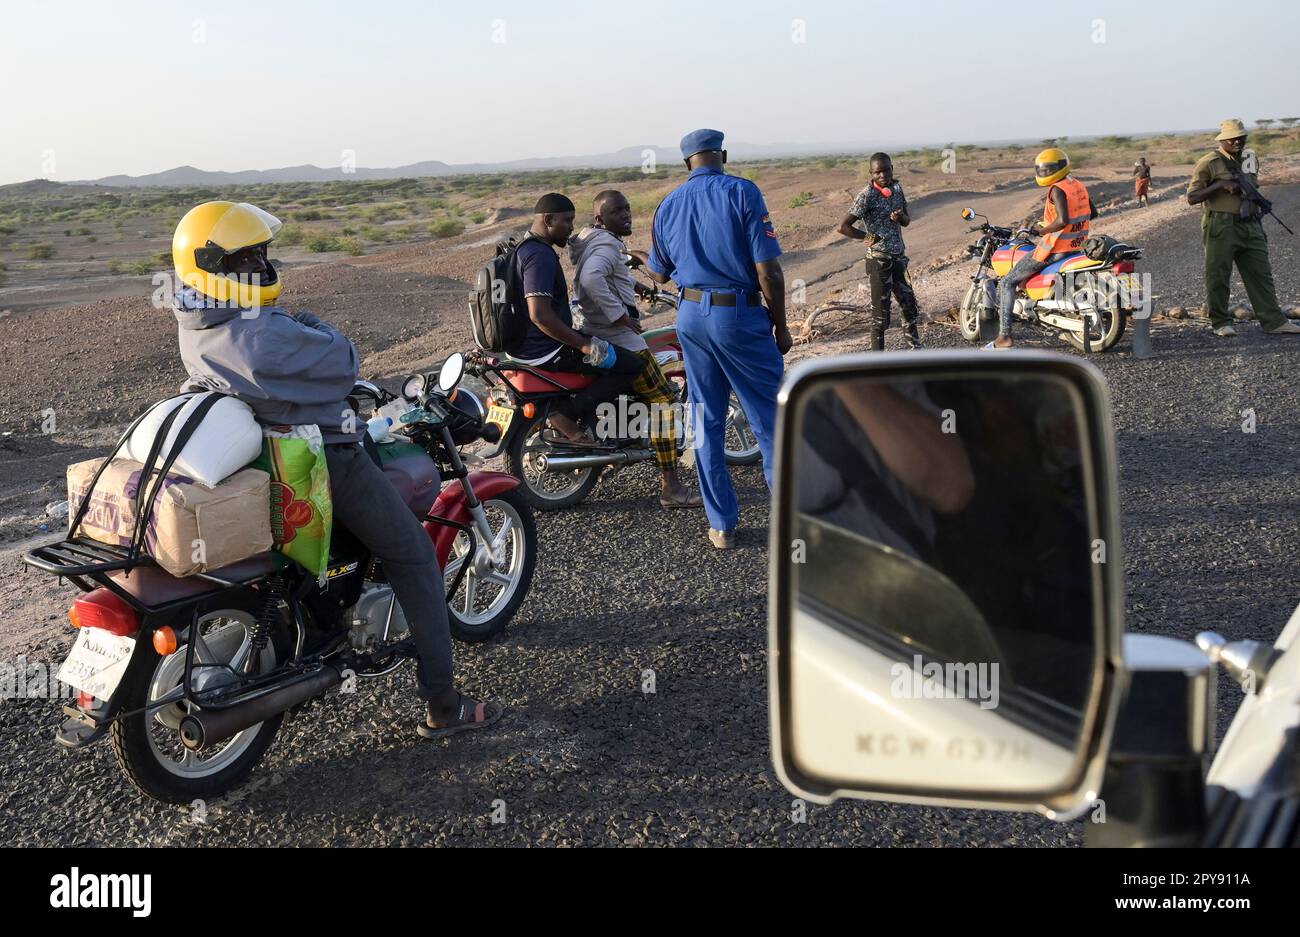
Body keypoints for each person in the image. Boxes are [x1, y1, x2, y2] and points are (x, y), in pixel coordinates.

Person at [170, 200, 500, 738]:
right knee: (414, 556)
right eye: (246, 259)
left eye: (260, 254)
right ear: (212, 266)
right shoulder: (261, 335)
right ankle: (443, 703)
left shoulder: (199, 318)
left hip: (262, 457)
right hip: (323, 458)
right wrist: (311, 324)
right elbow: (343, 356)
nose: (261, 267)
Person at [644, 129, 792, 549]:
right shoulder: (743, 193)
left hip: (690, 317)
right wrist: (779, 325)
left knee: (705, 420)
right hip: (737, 315)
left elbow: (658, 273)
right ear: (722, 155)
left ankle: (722, 526)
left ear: (686, 164)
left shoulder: (667, 205)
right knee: (769, 418)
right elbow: (769, 271)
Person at [569, 190, 702, 507]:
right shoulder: (605, 244)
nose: (626, 215)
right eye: (617, 211)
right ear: (601, 216)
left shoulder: (594, 239)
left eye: (627, 209)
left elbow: (610, 274)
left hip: (593, 330)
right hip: (616, 336)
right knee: (665, 400)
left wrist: (639, 288)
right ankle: (672, 488)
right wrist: (620, 315)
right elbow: (591, 278)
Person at [508, 192, 644, 442]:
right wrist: (583, 344)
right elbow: (540, 315)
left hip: (525, 347)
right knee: (632, 365)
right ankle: (567, 415)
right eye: (567, 221)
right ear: (548, 219)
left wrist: (635, 285)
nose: (571, 229)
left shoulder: (524, 248)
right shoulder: (540, 256)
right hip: (547, 349)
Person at [1186, 119, 1300, 337]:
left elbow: (1252, 186)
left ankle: (1274, 322)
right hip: (1221, 225)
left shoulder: (1250, 158)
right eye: (1232, 138)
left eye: (1241, 137)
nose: (1237, 141)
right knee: (1218, 275)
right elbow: (1192, 197)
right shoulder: (1209, 162)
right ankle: (1220, 322)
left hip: (1250, 224)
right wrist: (1220, 185)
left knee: (1261, 274)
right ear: (1223, 140)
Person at [990, 148, 1097, 349]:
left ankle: (1004, 336)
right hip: (1077, 246)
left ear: (1060, 167)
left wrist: (1043, 230)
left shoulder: (1057, 189)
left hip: (1054, 250)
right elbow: (1093, 212)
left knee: (1006, 282)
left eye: (1049, 169)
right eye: (1043, 169)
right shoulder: (1078, 185)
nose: (1046, 172)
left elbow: (1062, 220)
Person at [836, 153, 922, 350]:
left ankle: (916, 355)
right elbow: (843, 227)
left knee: (910, 308)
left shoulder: (897, 190)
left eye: (886, 170)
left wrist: (900, 218)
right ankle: (877, 363)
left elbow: (907, 221)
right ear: (871, 173)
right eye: (878, 172)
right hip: (879, 261)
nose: (883, 175)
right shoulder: (866, 195)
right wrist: (869, 238)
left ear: (892, 168)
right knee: (881, 318)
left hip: (899, 259)